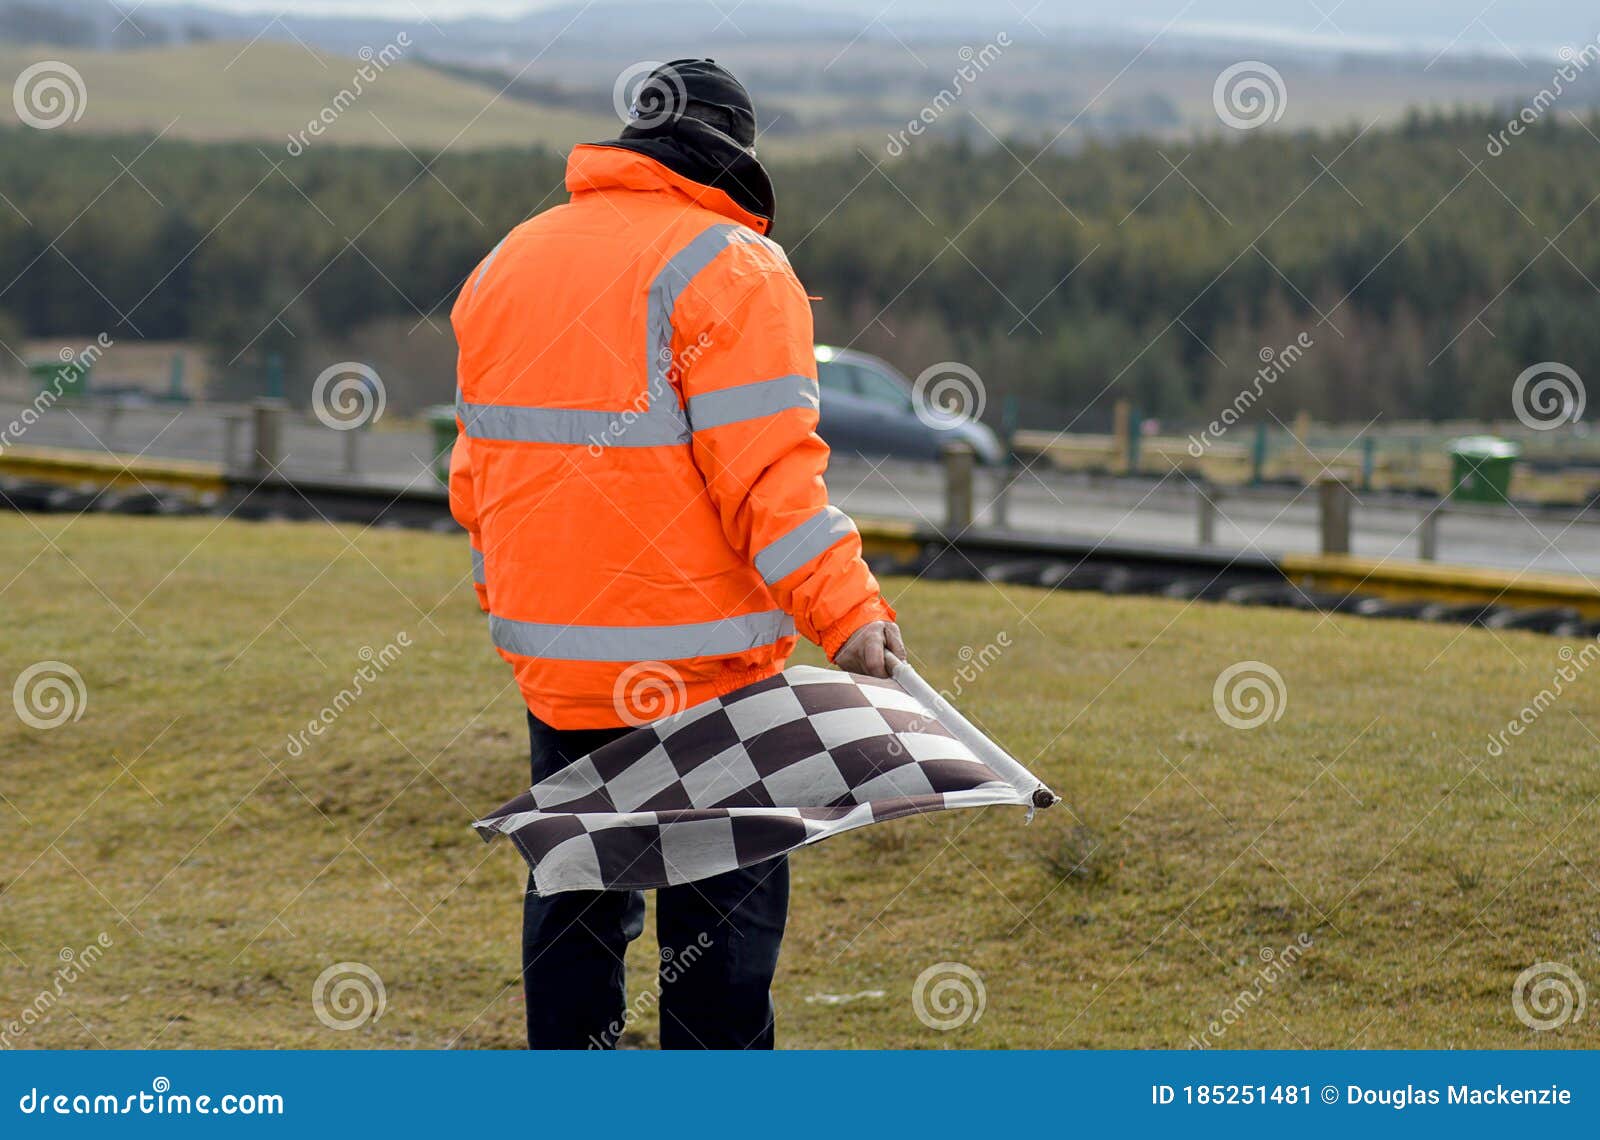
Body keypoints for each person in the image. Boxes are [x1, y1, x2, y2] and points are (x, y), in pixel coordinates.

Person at [447, 58, 905, 1050]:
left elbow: (476, 481)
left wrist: (519, 613)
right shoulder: (732, 266)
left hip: (558, 669)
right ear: (734, 154)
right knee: (718, 941)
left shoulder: (509, 261)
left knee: (574, 894)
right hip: (709, 683)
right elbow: (771, 484)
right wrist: (851, 618)